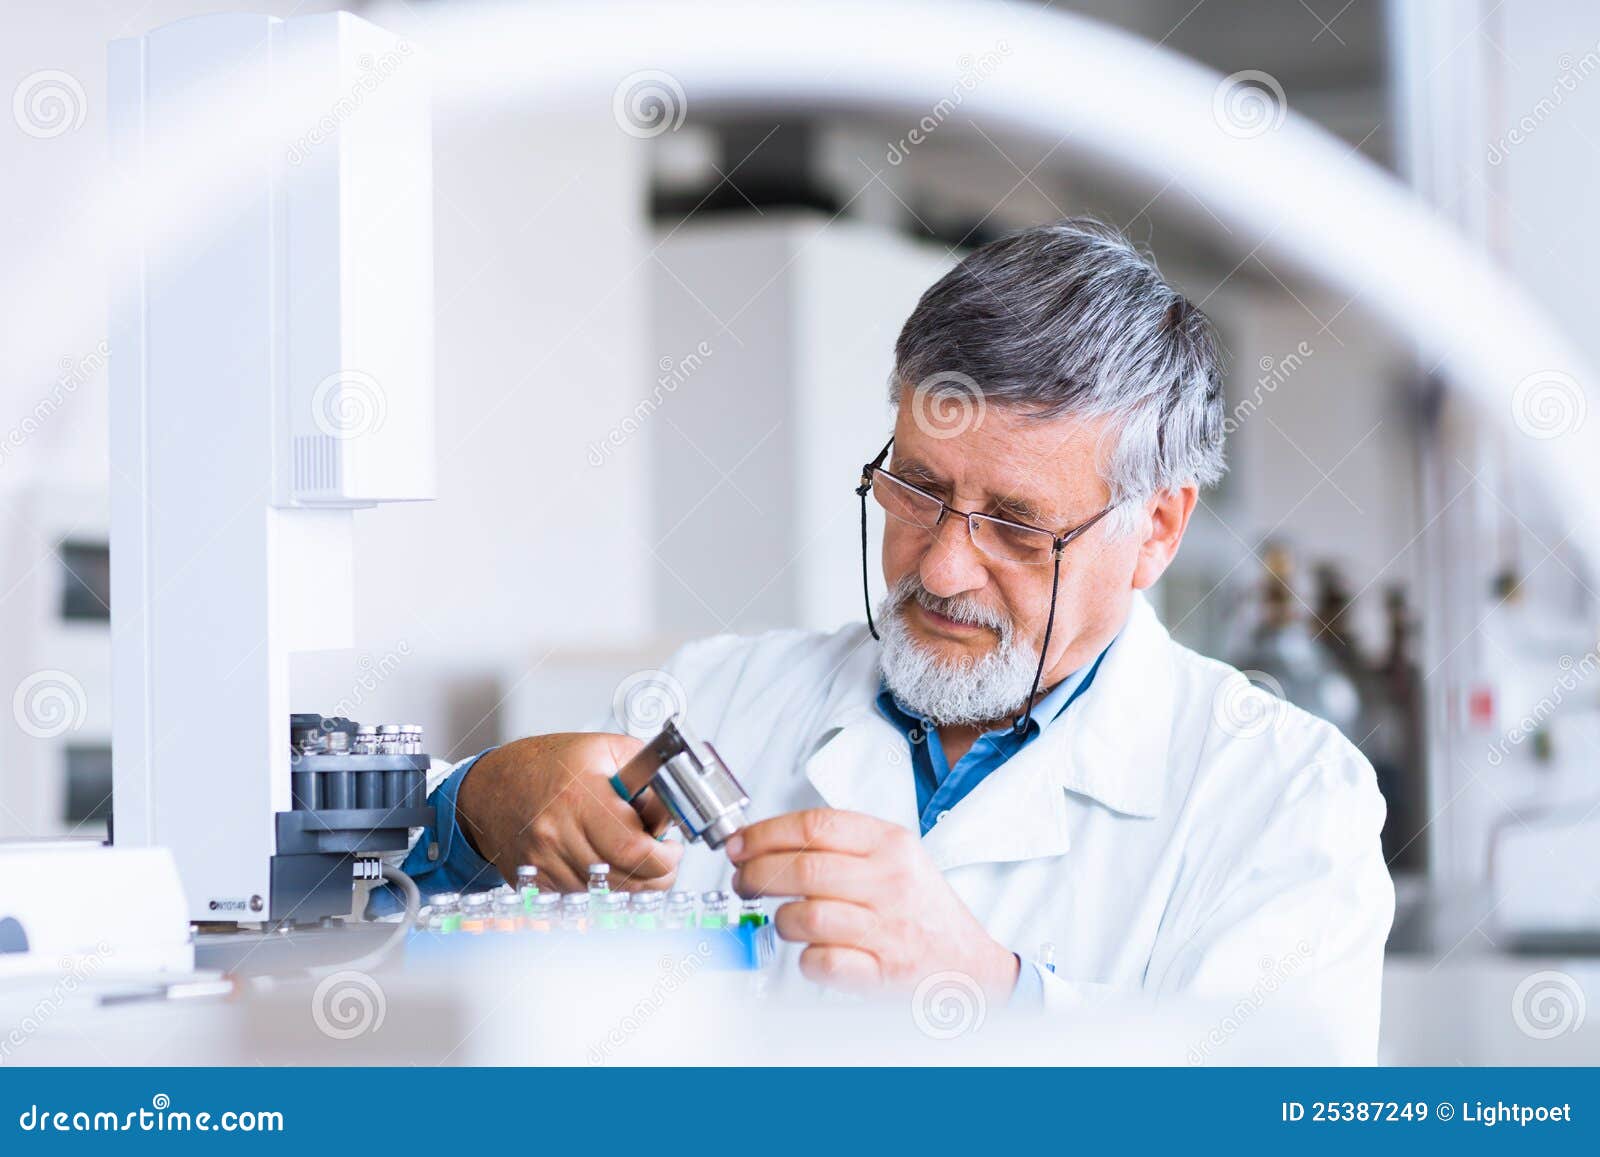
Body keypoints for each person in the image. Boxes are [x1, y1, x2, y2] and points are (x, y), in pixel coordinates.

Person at [382, 219, 1394, 1060]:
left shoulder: (1284, 797)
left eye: (1015, 522)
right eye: (915, 487)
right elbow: (409, 970)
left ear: (1158, 529)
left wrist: (990, 994)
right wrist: (484, 804)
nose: (943, 567)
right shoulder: (717, 697)